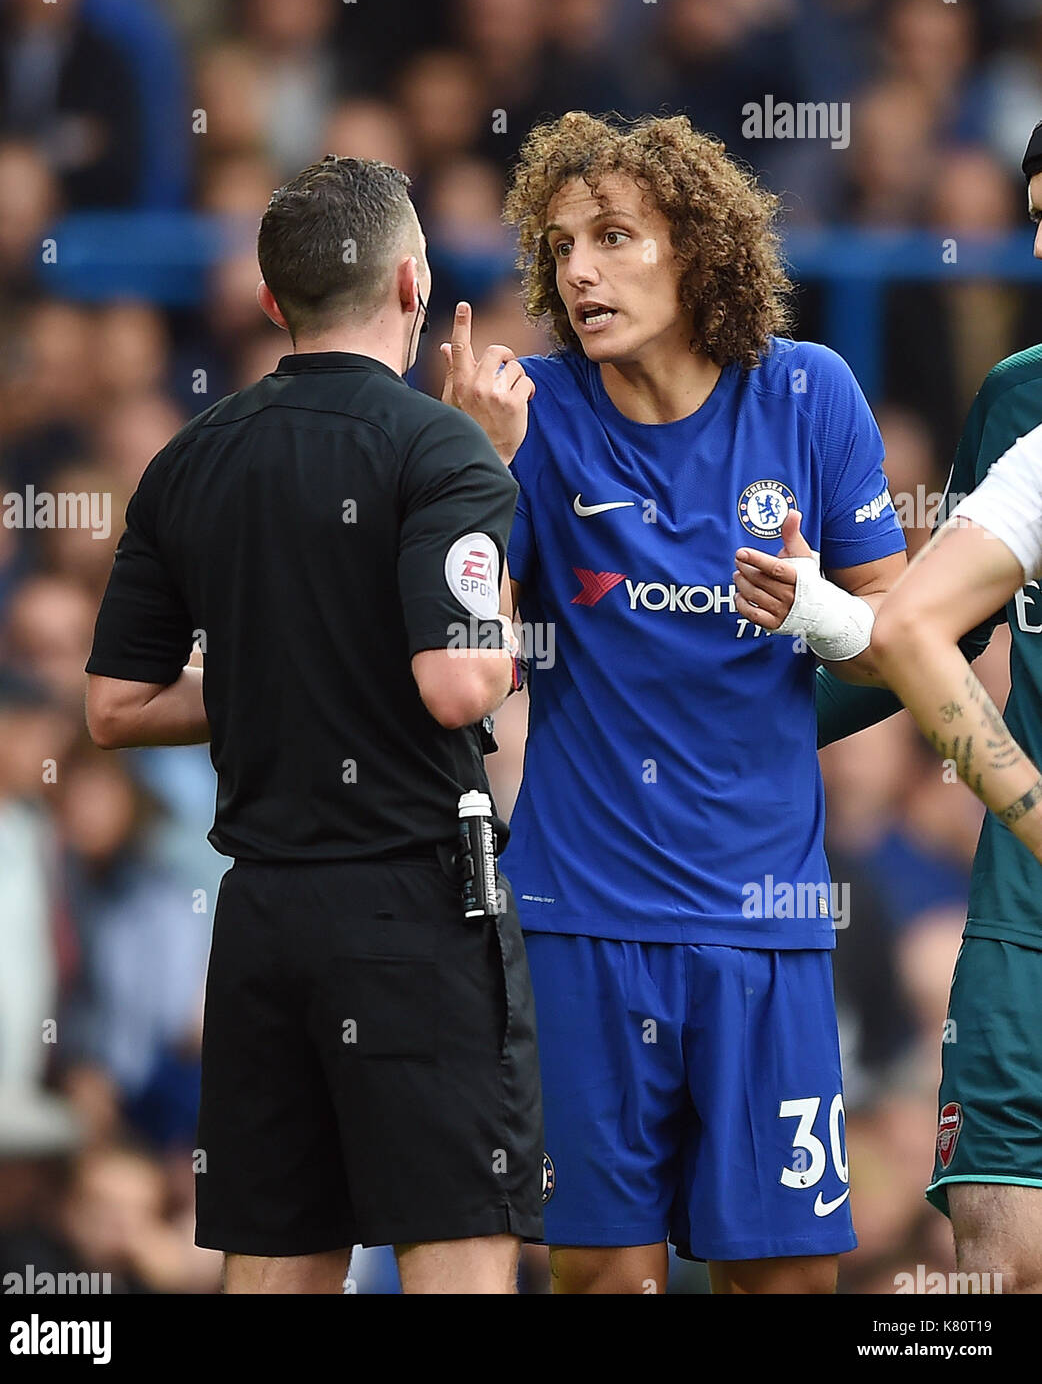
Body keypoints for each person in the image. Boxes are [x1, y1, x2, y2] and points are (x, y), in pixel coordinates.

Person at [441, 111, 907, 1294]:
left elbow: (901, 644)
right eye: (558, 248)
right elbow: (458, 654)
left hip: (765, 920)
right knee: (607, 1280)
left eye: (613, 236)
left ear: (698, 250)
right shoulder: (531, 415)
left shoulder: (808, 394)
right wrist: (474, 473)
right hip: (578, 916)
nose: (579, 270)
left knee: (791, 1279)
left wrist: (817, 612)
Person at [84, 156, 543, 1295]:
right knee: (457, 1252)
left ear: (270, 301)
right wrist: (489, 469)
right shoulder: (444, 450)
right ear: (412, 282)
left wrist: (270, 678)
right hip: (410, 907)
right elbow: (456, 684)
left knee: (278, 1264)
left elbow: (114, 705)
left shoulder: (186, 459)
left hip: (259, 918)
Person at [864, 120, 1042, 1295]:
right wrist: (733, 683)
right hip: (1023, 912)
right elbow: (922, 628)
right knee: (999, 1273)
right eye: (1034, 216)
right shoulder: (1019, 410)